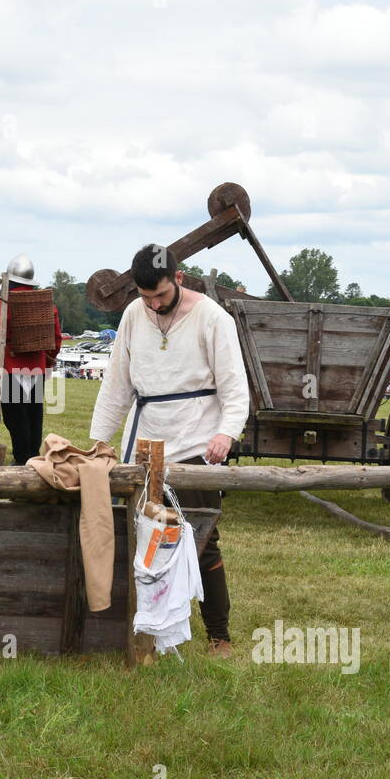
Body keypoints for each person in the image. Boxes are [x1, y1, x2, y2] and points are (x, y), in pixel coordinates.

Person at [89, 243, 249, 658]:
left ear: (178, 279)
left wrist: (226, 433)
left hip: (196, 443)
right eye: (146, 298)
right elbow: (117, 385)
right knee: (142, 538)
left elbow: (234, 386)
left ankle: (219, 636)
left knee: (200, 539)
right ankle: (149, 633)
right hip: (145, 445)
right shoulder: (132, 316)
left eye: (160, 295)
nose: (154, 305)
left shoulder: (212, 318)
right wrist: (100, 440)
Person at [0, 254, 63, 465]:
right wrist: (47, 361)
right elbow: (56, 340)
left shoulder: (2, 305)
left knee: (16, 419)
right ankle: (32, 459)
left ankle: (23, 461)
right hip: (36, 370)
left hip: (12, 370)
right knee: (33, 416)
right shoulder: (47, 306)